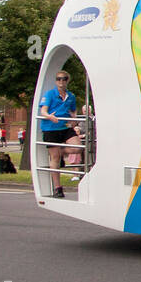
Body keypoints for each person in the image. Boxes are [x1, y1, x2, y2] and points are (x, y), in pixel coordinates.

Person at [38, 70, 80, 198]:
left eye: (64, 79)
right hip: (51, 128)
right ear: (56, 81)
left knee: (77, 148)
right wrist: (49, 116)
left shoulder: (71, 96)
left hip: (65, 127)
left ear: (68, 80)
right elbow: (43, 111)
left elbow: (73, 111)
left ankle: (59, 151)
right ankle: (57, 188)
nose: (61, 81)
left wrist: (74, 119)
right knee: (55, 159)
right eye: (58, 79)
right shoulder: (50, 94)